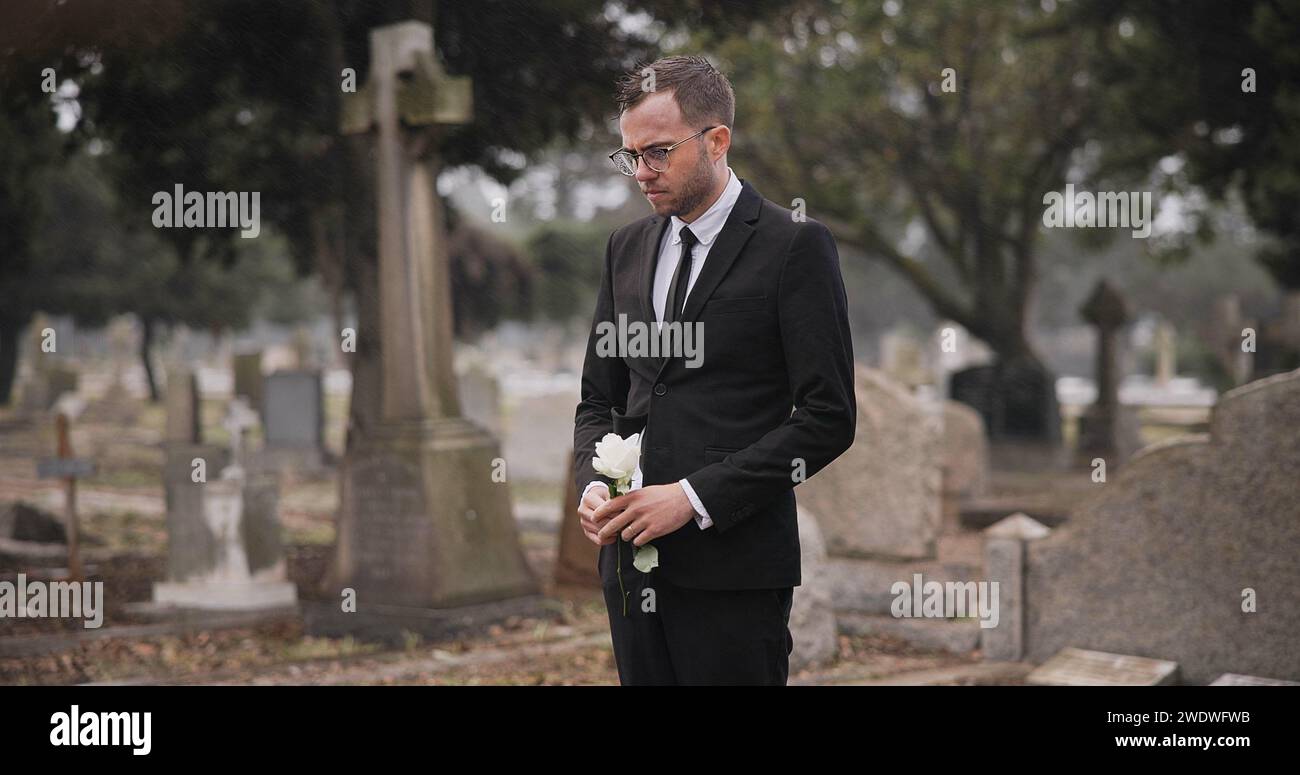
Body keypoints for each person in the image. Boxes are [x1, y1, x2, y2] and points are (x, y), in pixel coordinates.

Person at [573, 55, 856, 685]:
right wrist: (593, 486)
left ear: (717, 140)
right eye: (629, 156)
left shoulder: (796, 245)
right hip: (629, 568)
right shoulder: (626, 247)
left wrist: (693, 498)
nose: (641, 173)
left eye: (658, 153)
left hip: (736, 572)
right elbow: (600, 399)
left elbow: (828, 420)